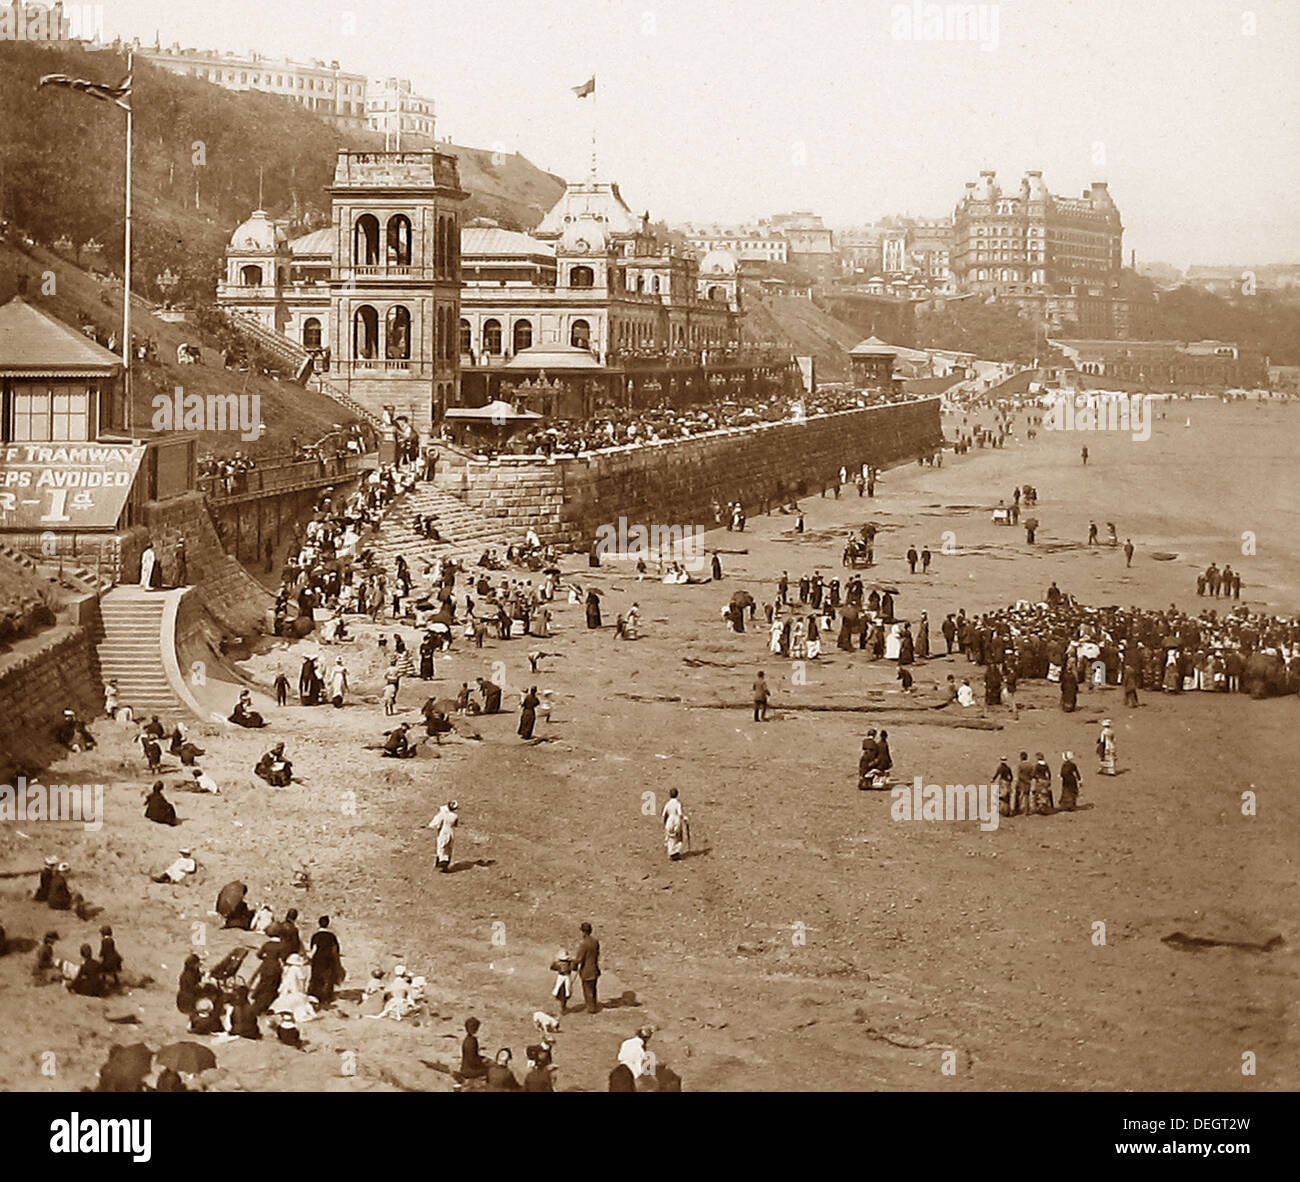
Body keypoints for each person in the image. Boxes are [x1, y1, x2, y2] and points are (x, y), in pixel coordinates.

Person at [308, 916, 344, 1006]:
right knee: (328, 979)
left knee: (316, 977)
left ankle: (316, 996)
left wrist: (309, 958)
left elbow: (314, 949)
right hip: (329, 960)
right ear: (328, 924)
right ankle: (327, 997)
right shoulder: (332, 936)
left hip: (318, 960)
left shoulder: (316, 936)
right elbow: (335, 949)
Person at [574, 922, 601, 1013]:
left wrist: (572, 964)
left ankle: (591, 1008)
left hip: (586, 971)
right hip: (595, 969)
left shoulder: (584, 944)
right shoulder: (595, 942)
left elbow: (579, 959)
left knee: (587, 989)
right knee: (593, 988)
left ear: (583, 932)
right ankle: (594, 1005)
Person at [455, 1017, 490, 1085]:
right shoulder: (472, 1041)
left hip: (465, 1068)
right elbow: (473, 1060)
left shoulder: (467, 1039)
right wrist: (482, 1063)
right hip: (470, 1071)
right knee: (491, 1070)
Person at [428, 800, 459, 872]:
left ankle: (440, 864)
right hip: (451, 832)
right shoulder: (454, 816)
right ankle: (445, 865)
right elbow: (456, 825)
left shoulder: (443, 814)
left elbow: (437, 823)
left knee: (441, 847)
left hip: (443, 832)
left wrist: (430, 826)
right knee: (448, 847)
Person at [662, 788, 687, 860]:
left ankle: (670, 852)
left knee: (670, 837)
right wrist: (685, 818)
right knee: (678, 837)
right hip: (676, 820)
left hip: (669, 820)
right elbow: (680, 813)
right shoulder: (678, 804)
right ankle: (675, 852)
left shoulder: (667, 804)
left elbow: (664, 814)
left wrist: (664, 823)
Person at [550, 949, 576, 1015]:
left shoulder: (558, 963)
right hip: (566, 978)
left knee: (562, 993)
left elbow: (552, 967)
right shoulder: (570, 963)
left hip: (561, 978)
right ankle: (563, 1007)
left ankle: (562, 1007)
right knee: (565, 993)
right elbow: (574, 968)